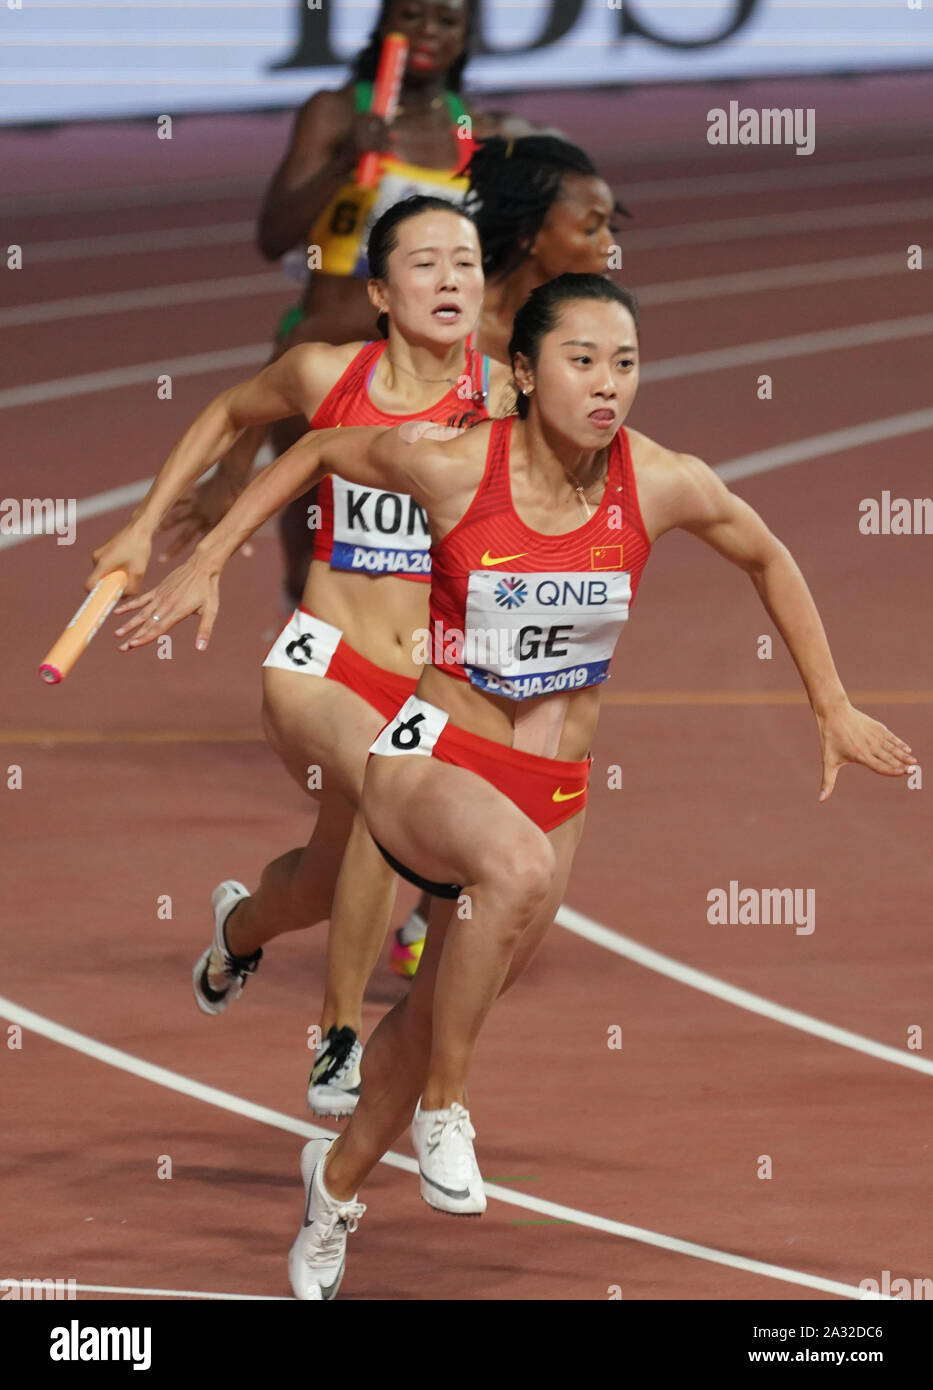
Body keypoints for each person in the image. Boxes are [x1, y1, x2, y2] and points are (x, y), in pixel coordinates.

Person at [111, 273, 915, 1299]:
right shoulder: (452, 466)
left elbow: (765, 553)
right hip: (433, 751)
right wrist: (205, 558)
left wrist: (831, 703)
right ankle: (449, 1106)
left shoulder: (659, 481)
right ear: (525, 373)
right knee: (515, 871)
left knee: (444, 999)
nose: (608, 384)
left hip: (555, 781)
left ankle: (336, 1185)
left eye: (625, 362)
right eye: (583, 361)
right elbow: (313, 448)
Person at [87, 197, 514, 1115]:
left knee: (321, 886)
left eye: (467, 263)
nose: (451, 280)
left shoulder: (507, 395)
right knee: (382, 781)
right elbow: (227, 411)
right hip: (321, 656)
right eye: (426, 264)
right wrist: (141, 527)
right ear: (379, 290)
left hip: (424, 681)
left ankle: (237, 929)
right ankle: (339, 1038)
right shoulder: (325, 374)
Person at [165, 0, 536, 603]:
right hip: (328, 340)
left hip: (433, 364)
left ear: (466, 36)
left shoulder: (477, 132)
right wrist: (344, 161)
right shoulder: (335, 112)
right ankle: (303, 641)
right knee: (307, 507)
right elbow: (273, 236)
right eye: (412, 15)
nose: (426, 32)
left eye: (446, 21)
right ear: (384, 23)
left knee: (432, 518)